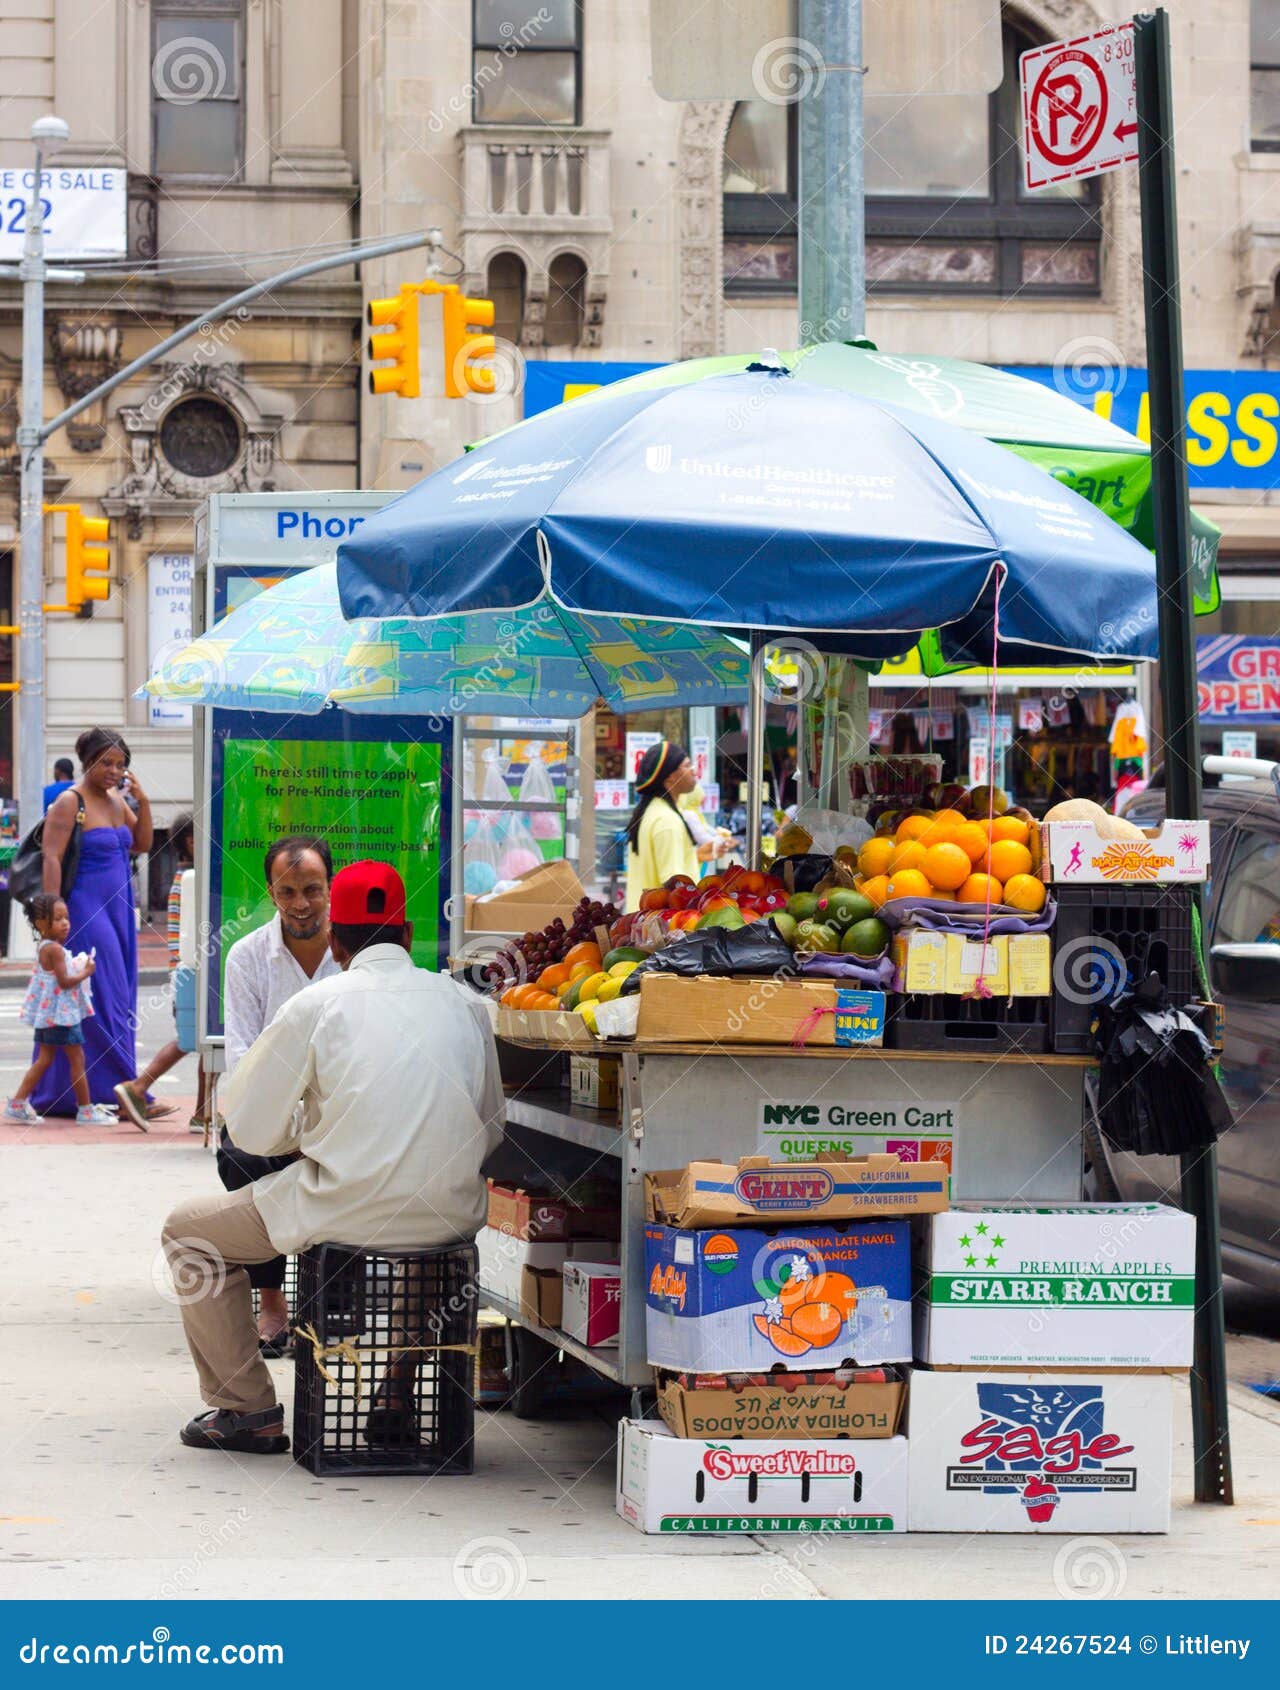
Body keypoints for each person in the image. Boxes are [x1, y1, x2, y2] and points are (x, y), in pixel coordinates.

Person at [160, 860, 503, 1456]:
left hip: (341, 1209)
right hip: (452, 1213)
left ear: (335, 942)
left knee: (188, 1235)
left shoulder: (316, 1004)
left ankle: (248, 1410)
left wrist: (306, 1134)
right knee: (423, 1243)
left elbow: (251, 1131)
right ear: (407, 936)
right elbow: (492, 1126)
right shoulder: (466, 1005)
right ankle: (395, 1393)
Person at [218, 834, 341, 1353]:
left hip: (340, 1113)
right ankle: (271, 1300)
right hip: (272, 1115)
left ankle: (333, 1299)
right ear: (271, 892)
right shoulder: (247, 957)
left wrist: (320, 1131)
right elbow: (243, 1062)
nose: (301, 904)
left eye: (312, 889)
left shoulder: (353, 952)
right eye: (287, 891)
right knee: (241, 1158)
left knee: (362, 1156)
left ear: (330, 887)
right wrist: (291, 1137)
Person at [33, 728, 152, 1118]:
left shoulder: (117, 800)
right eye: (105, 763)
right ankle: (120, 1092)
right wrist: (52, 920)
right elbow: (51, 857)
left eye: (120, 764)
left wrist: (143, 800)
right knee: (100, 995)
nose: (113, 771)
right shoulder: (70, 801)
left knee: (120, 996)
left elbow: (142, 844)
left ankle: (111, 1090)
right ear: (87, 762)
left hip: (119, 909)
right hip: (84, 909)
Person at [113, 815, 204, 1133]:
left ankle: (203, 1111)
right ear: (191, 842)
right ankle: (138, 1088)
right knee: (190, 1039)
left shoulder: (186, 877)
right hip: (192, 972)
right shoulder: (191, 879)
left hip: (188, 970)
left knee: (204, 1041)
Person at [6, 895, 113, 1125]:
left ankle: (17, 1102)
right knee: (77, 1060)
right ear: (41, 923)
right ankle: (85, 1111)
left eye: (66, 917)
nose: (65, 923)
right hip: (62, 1016)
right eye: (57, 919)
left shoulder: (45, 947)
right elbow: (64, 982)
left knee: (44, 1059)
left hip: (48, 1015)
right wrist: (86, 972)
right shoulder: (54, 949)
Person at [624, 740, 717, 911]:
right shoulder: (667, 821)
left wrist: (696, 857)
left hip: (643, 918)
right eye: (687, 765)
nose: (694, 771)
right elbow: (675, 888)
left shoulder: (654, 811)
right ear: (669, 776)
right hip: (661, 922)